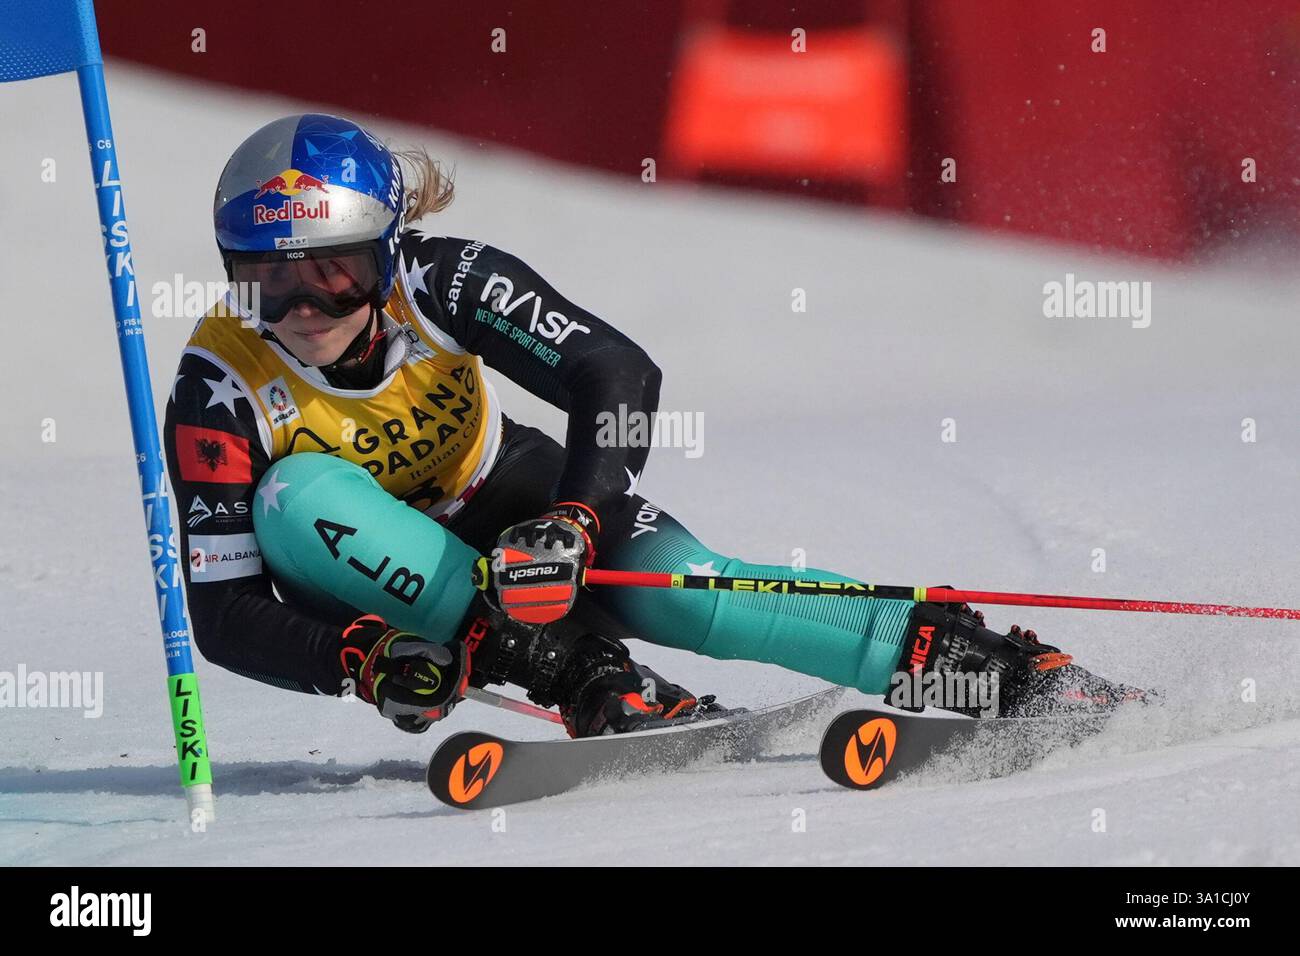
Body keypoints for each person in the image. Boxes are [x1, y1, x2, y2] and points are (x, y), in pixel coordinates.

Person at [165, 113, 1143, 739]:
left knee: (688, 592)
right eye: (268, 273)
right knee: (299, 492)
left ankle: (970, 661)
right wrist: (359, 657)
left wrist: (576, 520)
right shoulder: (218, 387)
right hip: (366, 564)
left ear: (383, 254)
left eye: (332, 267)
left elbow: (616, 370)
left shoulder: (442, 278)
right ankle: (585, 673)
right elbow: (221, 613)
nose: (303, 301)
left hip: (506, 487)